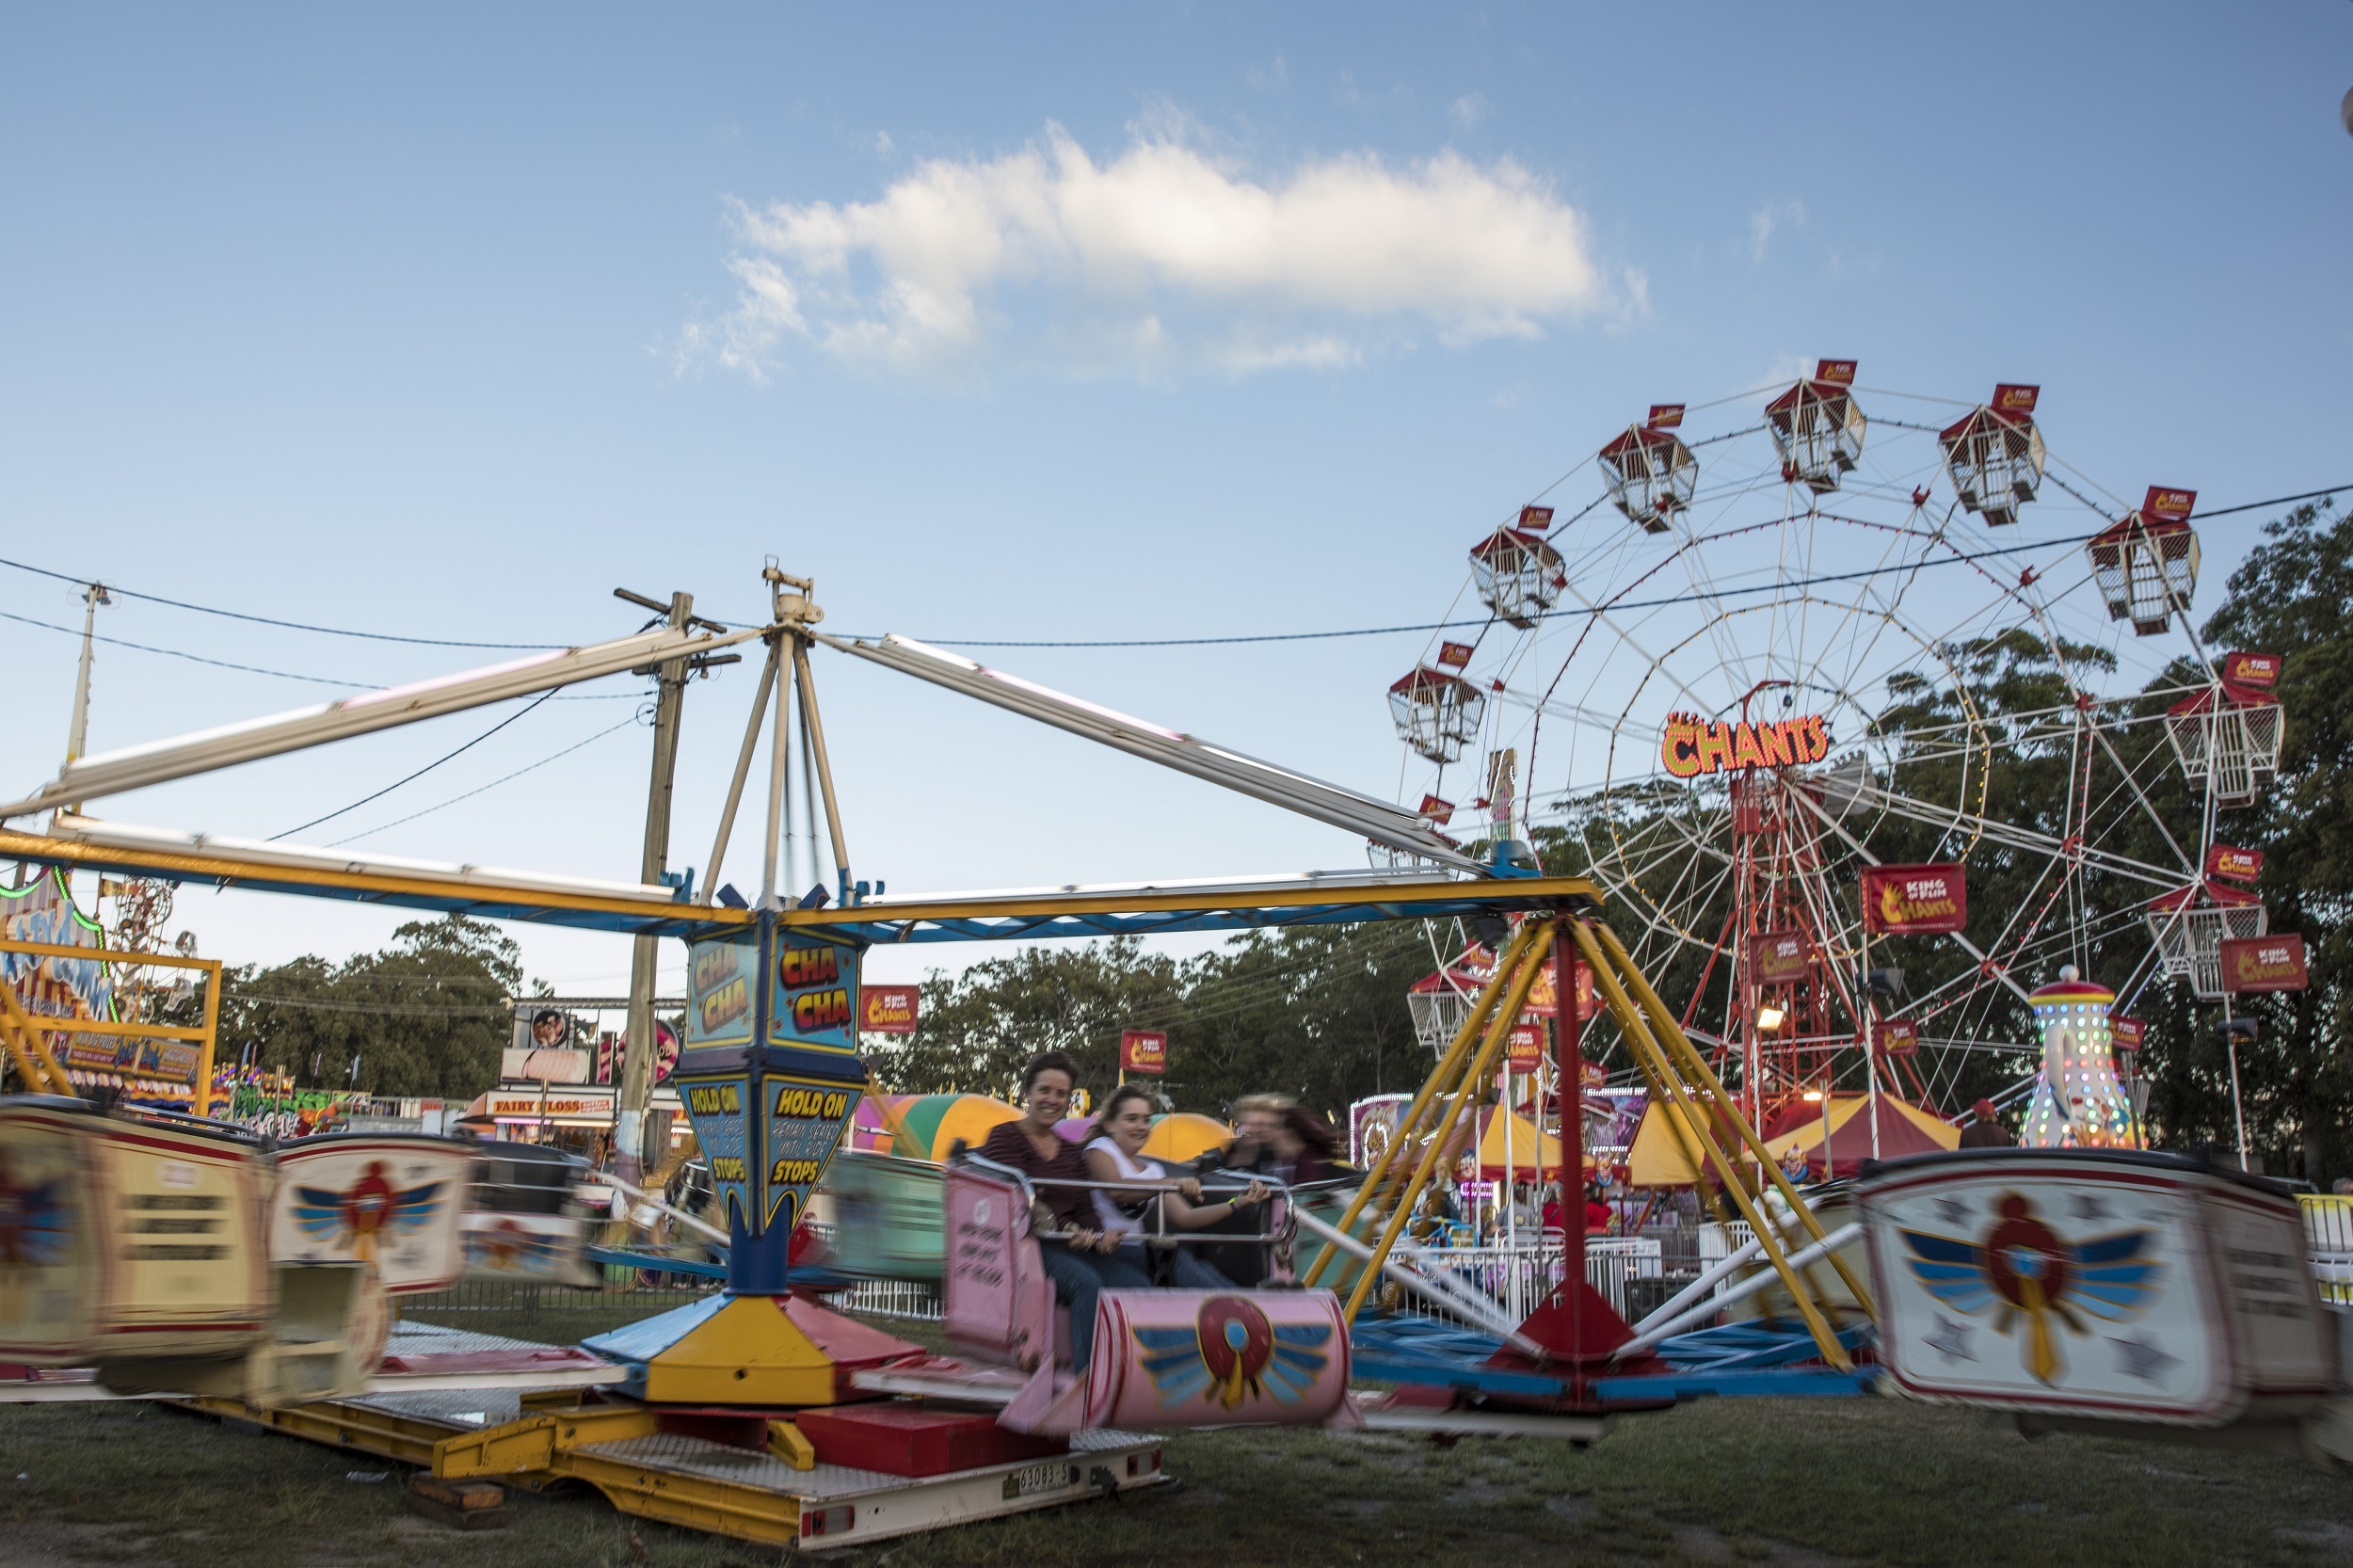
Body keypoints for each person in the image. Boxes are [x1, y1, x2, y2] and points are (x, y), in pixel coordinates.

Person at [975, 1051, 1149, 1371]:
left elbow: (1083, 1205)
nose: (1052, 1099)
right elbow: (1021, 1198)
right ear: (1027, 1092)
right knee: (1086, 1282)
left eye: (1061, 1093)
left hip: (1067, 1242)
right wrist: (1069, 1230)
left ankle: (1129, 1373)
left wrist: (1099, 1235)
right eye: (1044, 1090)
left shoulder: (1071, 1152)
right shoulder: (1005, 1137)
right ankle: (1087, 1381)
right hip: (1026, 1244)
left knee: (1137, 1281)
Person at [1081, 1085, 1269, 1288]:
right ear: (1110, 1124)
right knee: (1173, 1267)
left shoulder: (1152, 1170)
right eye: (1131, 1119)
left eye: (1146, 1119)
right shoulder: (1101, 1148)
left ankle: (1255, 1302)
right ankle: (1250, 1308)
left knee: (1196, 1266)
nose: (1141, 1126)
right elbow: (1117, 1189)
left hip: (1137, 1250)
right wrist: (1172, 1183)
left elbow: (1185, 1217)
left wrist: (1236, 1203)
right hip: (1104, 1249)